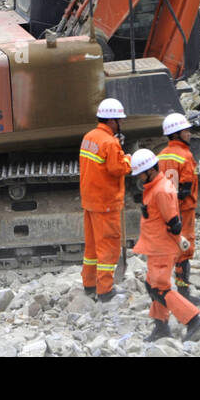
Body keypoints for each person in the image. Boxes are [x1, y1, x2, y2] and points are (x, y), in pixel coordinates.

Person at [130, 149, 200, 343]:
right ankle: (161, 327)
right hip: (155, 246)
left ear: (150, 170)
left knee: (160, 288)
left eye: (140, 173)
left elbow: (174, 222)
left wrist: (178, 237)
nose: (139, 177)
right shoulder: (156, 187)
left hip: (162, 247)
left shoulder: (162, 190)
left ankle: (193, 320)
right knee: (152, 285)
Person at [79, 98, 132, 302]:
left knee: (92, 247)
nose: (121, 123)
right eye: (119, 120)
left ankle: (89, 284)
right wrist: (126, 158)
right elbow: (118, 168)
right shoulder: (110, 143)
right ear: (112, 121)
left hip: (90, 201)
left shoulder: (89, 137)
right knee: (109, 247)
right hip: (106, 203)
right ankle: (105, 290)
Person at [157, 113, 200, 301]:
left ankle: (162, 289)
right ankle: (183, 292)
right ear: (176, 134)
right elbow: (186, 187)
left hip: (166, 211)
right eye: (185, 131)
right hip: (183, 210)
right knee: (184, 249)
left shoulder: (161, 156)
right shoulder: (185, 156)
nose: (189, 134)